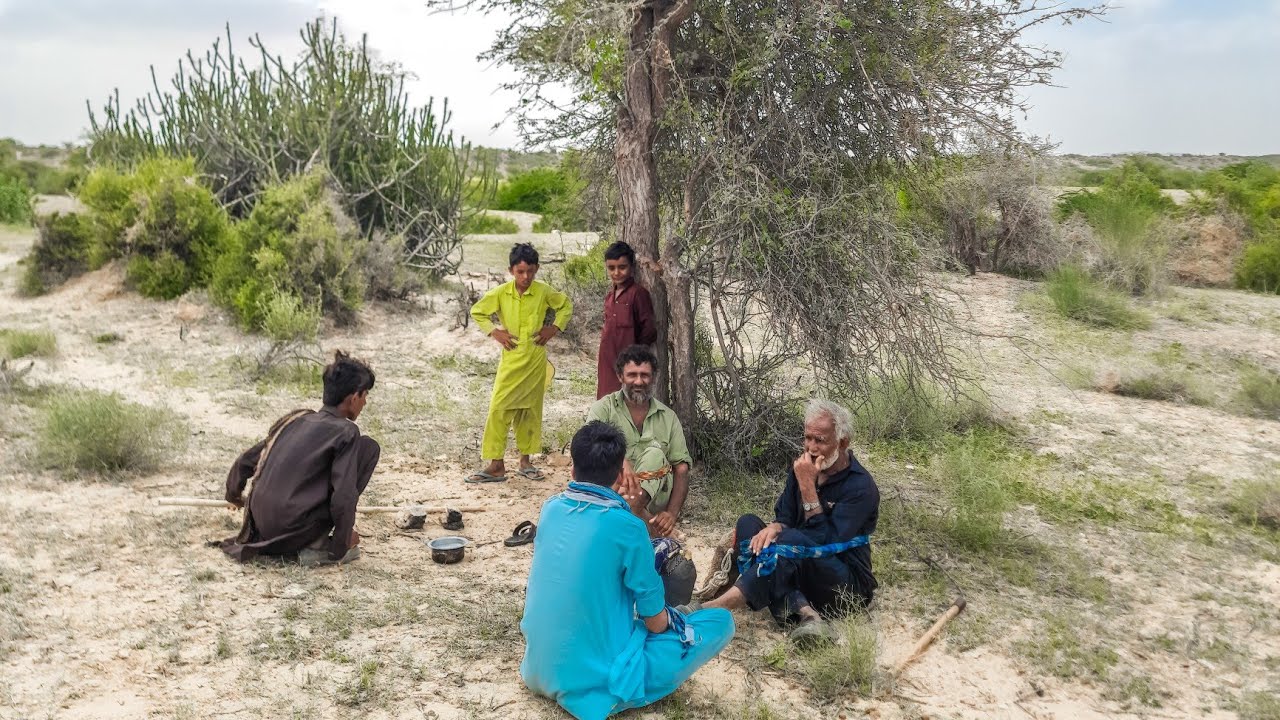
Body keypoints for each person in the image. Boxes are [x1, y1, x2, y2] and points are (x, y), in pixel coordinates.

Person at [520, 421, 734, 720]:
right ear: (622, 474)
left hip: (536, 670)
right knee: (719, 621)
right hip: (595, 686)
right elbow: (657, 624)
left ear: (572, 470)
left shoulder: (550, 508)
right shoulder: (628, 527)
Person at [697, 399, 879, 646]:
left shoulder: (861, 487)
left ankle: (714, 607)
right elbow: (785, 517)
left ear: (842, 442)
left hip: (843, 584)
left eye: (820, 440)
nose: (811, 447)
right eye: (808, 438)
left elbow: (824, 541)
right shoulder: (803, 466)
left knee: (789, 541)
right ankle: (808, 615)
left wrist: (807, 486)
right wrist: (774, 527)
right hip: (796, 564)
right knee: (750, 526)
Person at [221, 351, 380, 566]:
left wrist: (233, 494)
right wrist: (340, 545)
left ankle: (308, 538)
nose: (365, 402)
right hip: (290, 532)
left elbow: (246, 461)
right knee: (369, 449)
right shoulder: (346, 432)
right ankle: (317, 546)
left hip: (259, 525)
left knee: (363, 448)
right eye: (365, 396)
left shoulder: (296, 419)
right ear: (354, 397)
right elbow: (343, 496)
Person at [587, 344, 696, 604]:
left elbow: (681, 467)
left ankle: (634, 517)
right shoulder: (604, 409)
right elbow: (589, 449)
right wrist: (621, 459)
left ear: (653, 378)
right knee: (608, 457)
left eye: (644, 375)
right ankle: (643, 522)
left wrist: (671, 514)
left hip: (649, 498)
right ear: (620, 377)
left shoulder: (667, 417)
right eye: (632, 375)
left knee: (657, 454)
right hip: (613, 491)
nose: (638, 381)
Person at [465, 242, 573, 484]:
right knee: (498, 408)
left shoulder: (544, 291)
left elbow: (565, 305)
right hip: (511, 360)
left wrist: (554, 328)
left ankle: (526, 462)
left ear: (536, 269)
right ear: (511, 270)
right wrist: (496, 332)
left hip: (535, 360)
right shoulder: (501, 293)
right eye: (521, 271)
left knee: (530, 411)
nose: (526, 277)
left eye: (531, 271)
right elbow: (478, 311)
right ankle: (496, 465)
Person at [596, 241, 656, 399]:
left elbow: (649, 329)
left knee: (627, 401)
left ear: (631, 267)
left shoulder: (638, 294)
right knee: (606, 400)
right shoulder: (609, 296)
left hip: (628, 361)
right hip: (607, 359)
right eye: (611, 268)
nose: (616, 272)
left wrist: (636, 356)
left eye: (622, 267)